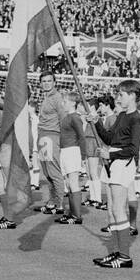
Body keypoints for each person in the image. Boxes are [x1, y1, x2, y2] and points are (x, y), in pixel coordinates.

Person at [92, 81, 140, 269]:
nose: (118, 97)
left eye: (121, 94)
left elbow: (133, 149)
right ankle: (116, 251)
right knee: (113, 209)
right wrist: (96, 122)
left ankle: (124, 256)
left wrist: (110, 154)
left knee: (119, 209)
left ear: (132, 96)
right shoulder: (121, 115)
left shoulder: (136, 119)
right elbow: (109, 138)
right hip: (114, 162)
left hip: (123, 162)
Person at [33, 70, 66, 216]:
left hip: (52, 136)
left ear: (54, 82)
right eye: (44, 81)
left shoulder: (57, 98)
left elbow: (63, 119)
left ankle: (59, 204)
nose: (46, 83)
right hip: (42, 135)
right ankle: (51, 201)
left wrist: (62, 139)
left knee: (54, 171)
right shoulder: (45, 97)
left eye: (49, 81)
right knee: (46, 172)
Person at [55, 94, 87, 225]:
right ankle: (71, 213)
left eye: (66, 101)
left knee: (73, 182)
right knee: (68, 183)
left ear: (73, 103)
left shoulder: (75, 117)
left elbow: (82, 137)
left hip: (72, 150)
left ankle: (77, 216)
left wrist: (83, 157)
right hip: (65, 151)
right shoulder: (67, 117)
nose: (64, 103)